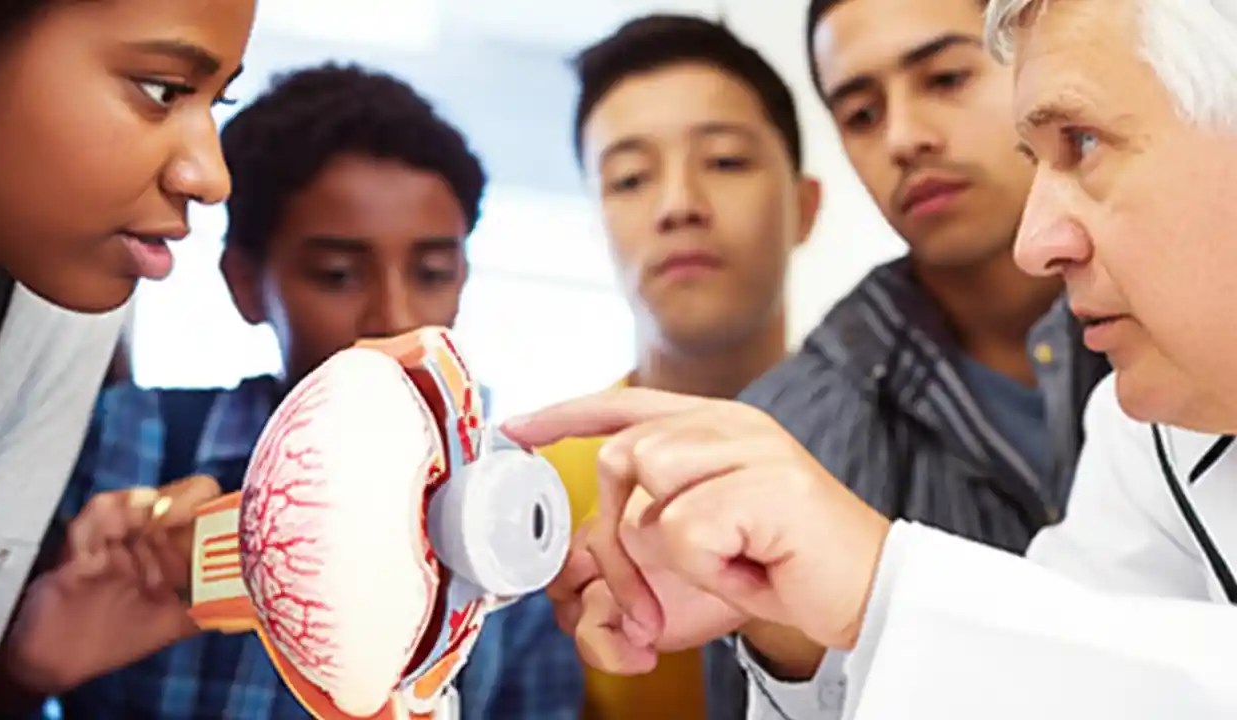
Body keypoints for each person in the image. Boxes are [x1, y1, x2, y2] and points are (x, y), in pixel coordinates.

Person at [505, 0, 1237, 717]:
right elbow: (1076, 675)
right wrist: (806, 630)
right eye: (860, 112)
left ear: (804, 204)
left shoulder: (1156, 372)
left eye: (1079, 142)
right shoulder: (1147, 418)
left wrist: (877, 587)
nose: (905, 138)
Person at [48, 63, 583, 719]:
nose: (394, 315)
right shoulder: (123, 446)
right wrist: (29, 666)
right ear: (244, 282)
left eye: (434, 271)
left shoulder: (508, 537)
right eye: (336, 274)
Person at [0, 0, 254, 715]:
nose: (212, 177)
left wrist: (17, 672)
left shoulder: (66, 317)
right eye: (162, 90)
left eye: (219, 101)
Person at [540, 15, 820, 718]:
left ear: (804, 206)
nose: (678, 206)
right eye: (630, 177)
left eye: (724, 162)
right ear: (597, 221)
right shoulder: (539, 487)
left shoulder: (887, 453)